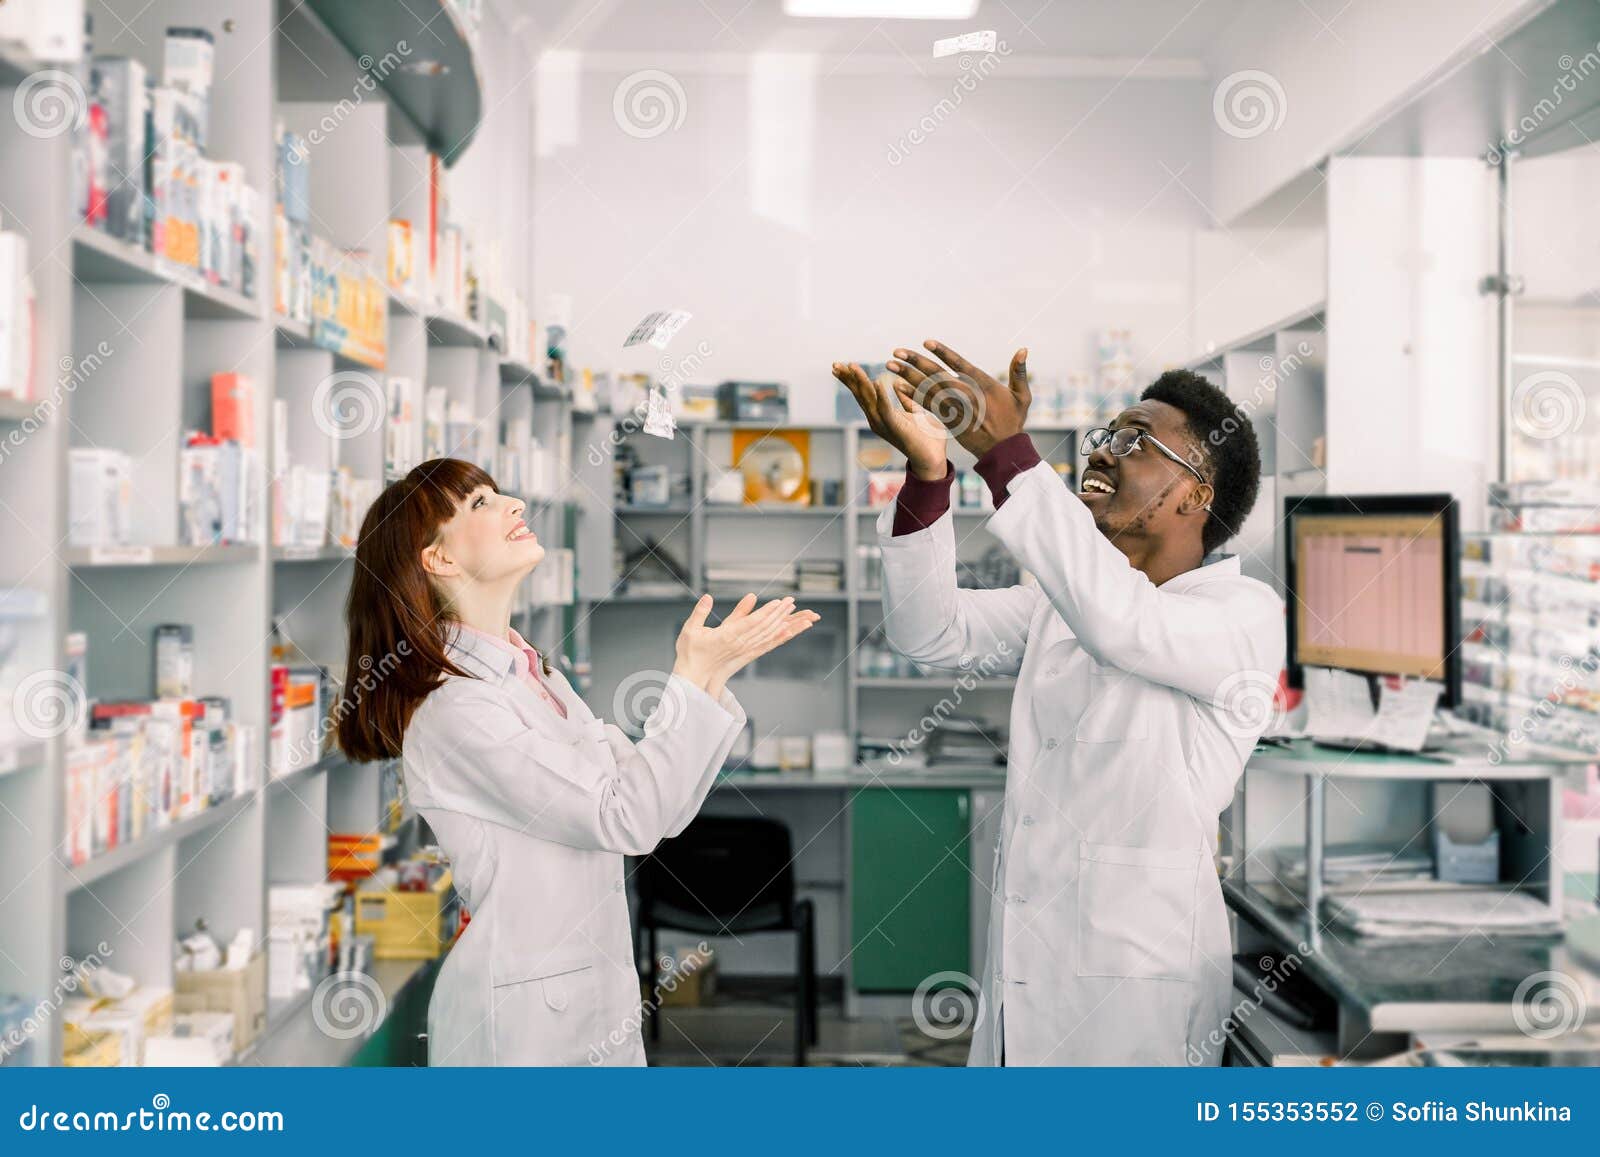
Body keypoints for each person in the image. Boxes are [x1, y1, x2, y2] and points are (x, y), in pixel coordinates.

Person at [833, 342, 1285, 1066]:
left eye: (1135, 442)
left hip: (1137, 1000)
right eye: (1105, 435)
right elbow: (929, 630)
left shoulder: (1241, 614)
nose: (1102, 453)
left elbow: (1126, 626)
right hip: (1027, 978)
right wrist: (928, 472)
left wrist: (1007, 453)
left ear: (1196, 494)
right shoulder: (1064, 605)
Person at [336, 458, 819, 1066]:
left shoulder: (537, 677)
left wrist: (711, 676)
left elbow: (656, 810)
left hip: (592, 997)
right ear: (439, 560)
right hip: (522, 1025)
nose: (512, 503)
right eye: (481, 503)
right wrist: (690, 679)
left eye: (499, 490)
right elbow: (627, 819)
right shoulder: (456, 710)